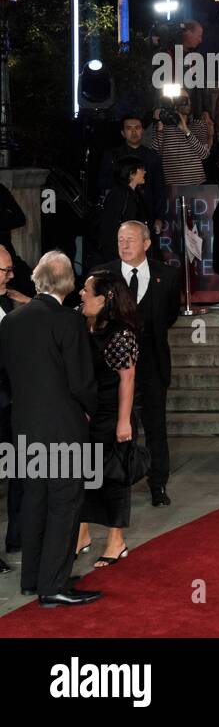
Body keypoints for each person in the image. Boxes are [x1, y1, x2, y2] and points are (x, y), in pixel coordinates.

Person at [0, 252, 99, 606]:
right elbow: (82, 381)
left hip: (23, 425)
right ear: (68, 284)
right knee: (65, 503)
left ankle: (32, 578)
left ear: (38, 280)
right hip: (62, 428)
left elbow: (5, 378)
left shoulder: (11, 322)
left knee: (34, 500)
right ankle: (53, 585)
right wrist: (91, 410)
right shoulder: (67, 322)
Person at [74, 268, 139, 568]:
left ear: (104, 298)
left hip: (113, 414)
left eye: (87, 291)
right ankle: (82, 535)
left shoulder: (120, 333)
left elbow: (127, 379)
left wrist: (123, 421)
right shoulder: (81, 322)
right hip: (85, 412)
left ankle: (116, 540)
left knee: (113, 477)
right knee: (84, 474)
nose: (81, 294)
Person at [117, 221, 181, 507]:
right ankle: (120, 484)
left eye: (130, 239)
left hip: (152, 364)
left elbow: (170, 315)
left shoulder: (166, 275)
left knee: (156, 427)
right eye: (120, 239)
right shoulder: (103, 274)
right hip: (115, 369)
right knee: (120, 427)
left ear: (146, 243)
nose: (125, 244)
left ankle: (158, 484)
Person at [0, 246, 30, 571]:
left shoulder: (12, 301)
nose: (10, 276)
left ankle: (17, 536)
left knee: (21, 471)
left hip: (15, 404)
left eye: (10, 270)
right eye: (5, 271)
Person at [96, 115, 166, 237]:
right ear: (123, 133)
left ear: (142, 131)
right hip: (120, 211)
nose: (134, 132)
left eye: (137, 128)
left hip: (147, 211)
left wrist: (159, 217)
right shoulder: (113, 156)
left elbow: (159, 188)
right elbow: (102, 182)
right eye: (129, 128)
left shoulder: (152, 156)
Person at [91, 157, 150, 269]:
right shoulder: (121, 195)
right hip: (117, 252)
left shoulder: (131, 193)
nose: (144, 172)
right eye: (141, 169)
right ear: (132, 174)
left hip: (123, 249)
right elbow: (112, 225)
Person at [145, 90, 214, 186]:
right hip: (172, 186)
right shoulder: (163, 128)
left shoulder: (198, 125)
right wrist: (160, 127)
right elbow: (156, 153)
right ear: (173, 103)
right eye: (183, 100)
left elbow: (204, 154)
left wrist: (186, 130)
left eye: (188, 99)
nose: (188, 103)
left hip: (197, 184)